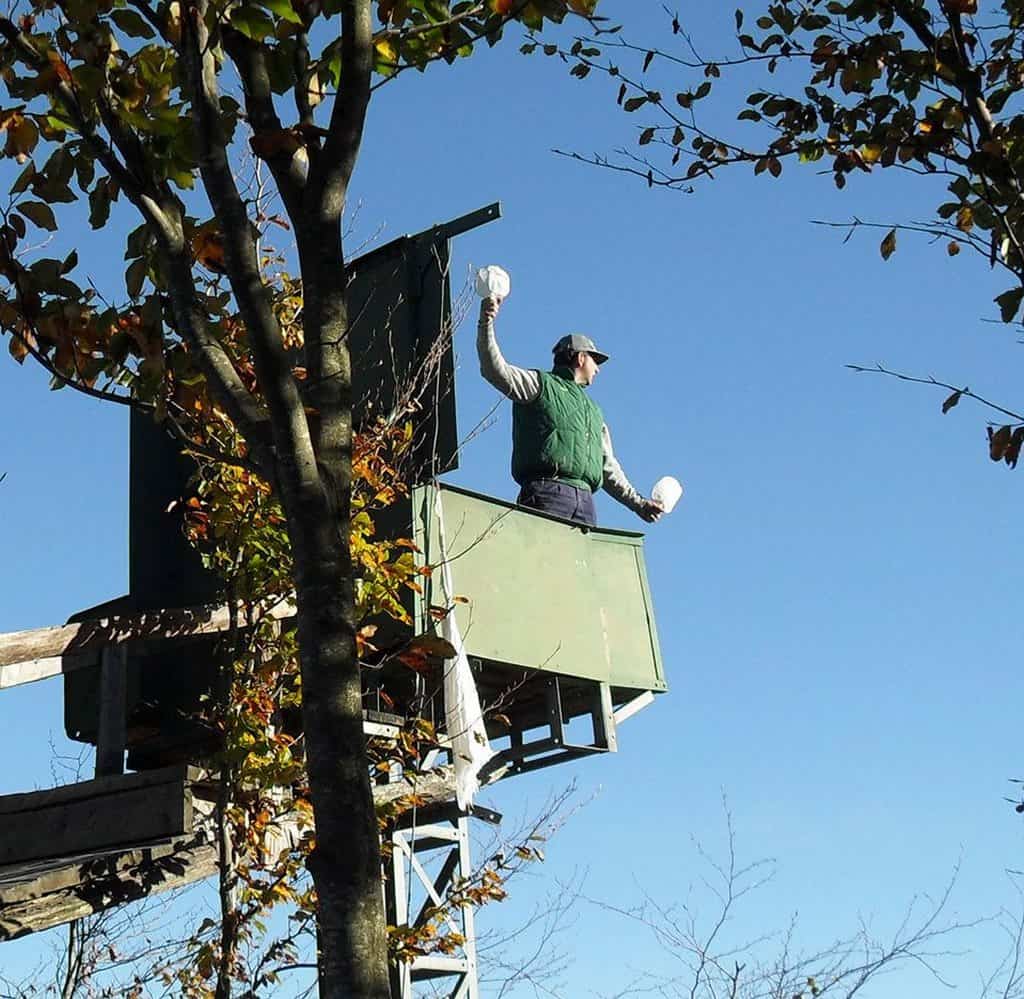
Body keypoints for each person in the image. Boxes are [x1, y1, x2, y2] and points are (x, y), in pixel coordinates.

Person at [477, 295, 664, 528]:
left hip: (586, 503)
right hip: (546, 493)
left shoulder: (593, 411)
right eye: (595, 361)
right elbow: (494, 369)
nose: (598, 369)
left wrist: (639, 504)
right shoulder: (540, 384)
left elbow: (607, 467)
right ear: (581, 357)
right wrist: (486, 321)